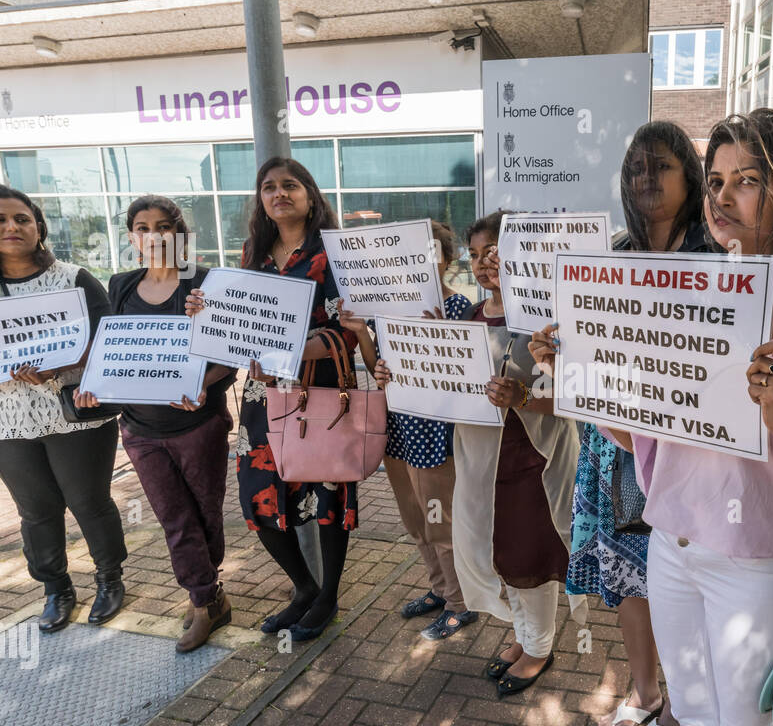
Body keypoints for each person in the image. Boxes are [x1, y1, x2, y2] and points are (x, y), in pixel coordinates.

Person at [529, 121, 710, 726]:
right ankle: (647, 692)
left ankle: (690, 714)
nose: (646, 179)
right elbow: (589, 351)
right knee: (631, 583)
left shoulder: (716, 260)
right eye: (636, 168)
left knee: (684, 587)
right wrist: (556, 355)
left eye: (660, 165)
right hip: (613, 450)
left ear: (689, 174)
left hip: (688, 456)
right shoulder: (608, 254)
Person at [376, 211, 581, 696]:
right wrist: (402, 371)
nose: (484, 263)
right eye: (475, 254)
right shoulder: (468, 318)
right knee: (503, 553)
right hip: (481, 463)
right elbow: (446, 388)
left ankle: (538, 647)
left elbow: (577, 396)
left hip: (533, 459)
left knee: (531, 555)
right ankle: (524, 636)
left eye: (494, 251)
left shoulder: (548, 320)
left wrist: (524, 399)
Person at [0, 184, 127, 632]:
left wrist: (56, 366)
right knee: (36, 511)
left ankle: (109, 580)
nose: (11, 227)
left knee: (90, 503)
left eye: (21, 218)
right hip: (2, 423)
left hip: (74, 418)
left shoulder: (73, 278)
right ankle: (56, 589)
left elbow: (108, 342)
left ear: (38, 226)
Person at [187, 157, 357, 642]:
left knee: (324, 493)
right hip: (263, 395)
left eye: (289, 185)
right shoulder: (253, 252)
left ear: (310, 194)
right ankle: (303, 587)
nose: (278, 194)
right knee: (257, 496)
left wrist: (294, 350)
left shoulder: (335, 252)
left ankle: (327, 597)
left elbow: (351, 328)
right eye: (268, 187)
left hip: (320, 388)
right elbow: (239, 324)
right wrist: (206, 312)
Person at [75, 196, 237, 652]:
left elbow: (230, 353)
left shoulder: (205, 283)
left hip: (197, 423)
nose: (154, 235)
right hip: (139, 426)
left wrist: (205, 383)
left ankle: (209, 590)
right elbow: (115, 349)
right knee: (174, 517)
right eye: (143, 228)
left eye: (164, 226)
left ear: (180, 234)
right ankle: (204, 600)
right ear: (132, 238)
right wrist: (94, 384)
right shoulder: (122, 284)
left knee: (205, 514)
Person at [340, 220, 475, 641]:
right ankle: (440, 590)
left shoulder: (460, 309)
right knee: (414, 518)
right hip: (397, 426)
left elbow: (464, 376)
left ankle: (460, 603)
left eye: (429, 254)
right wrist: (363, 334)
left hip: (436, 431)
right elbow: (376, 363)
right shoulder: (389, 308)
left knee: (442, 520)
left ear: (446, 261)